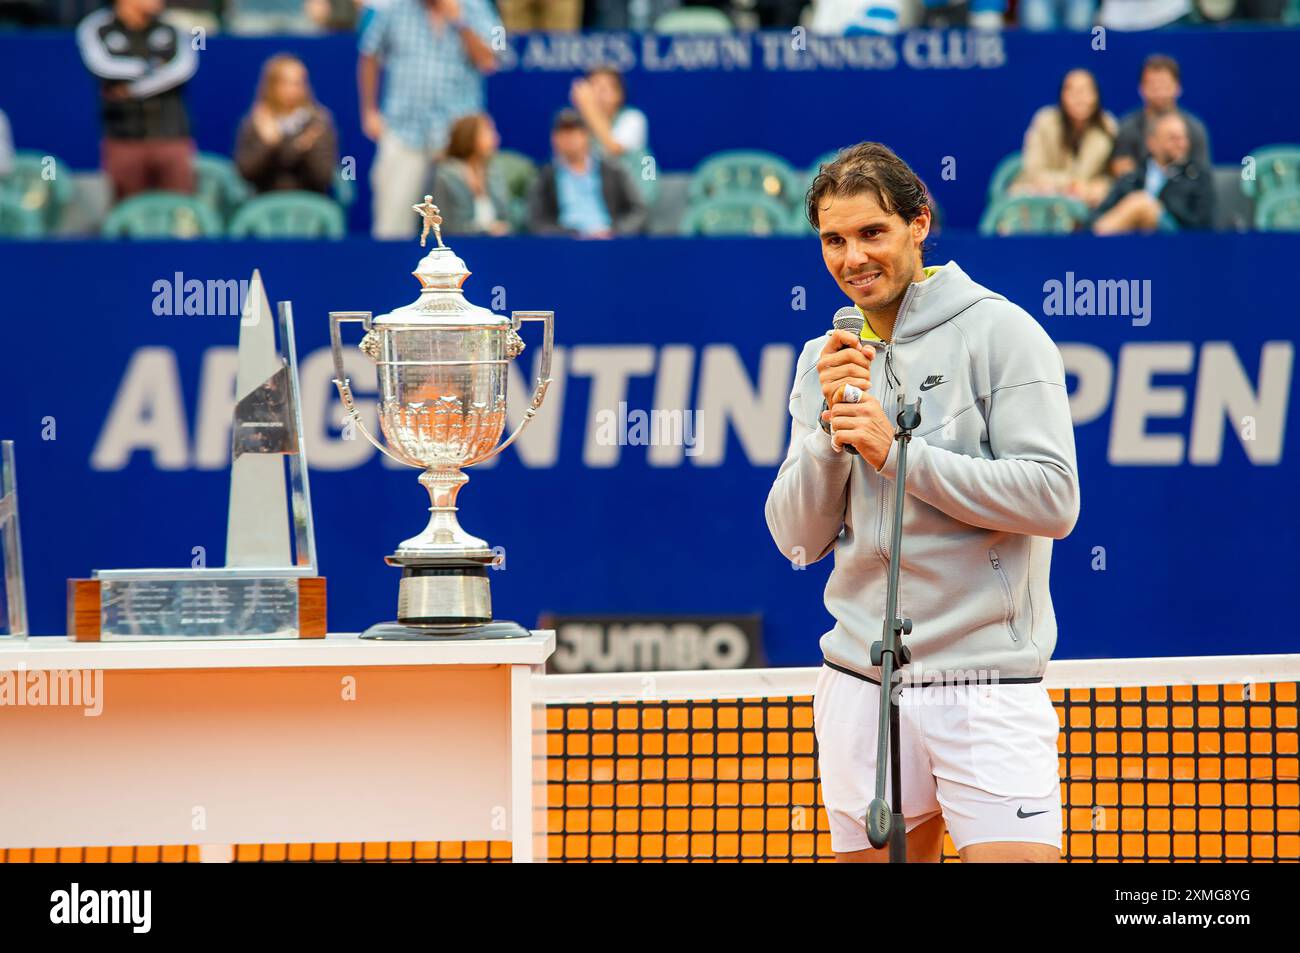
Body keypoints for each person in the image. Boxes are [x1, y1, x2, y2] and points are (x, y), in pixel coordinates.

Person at [766, 142, 1079, 863]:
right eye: (834, 240)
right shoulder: (824, 359)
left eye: (871, 232)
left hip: (986, 684)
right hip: (861, 687)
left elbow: (1053, 497)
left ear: (919, 224)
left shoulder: (1003, 333)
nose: (853, 258)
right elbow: (795, 539)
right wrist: (828, 437)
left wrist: (897, 455)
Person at [358, 0, 501, 238]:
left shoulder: (475, 6)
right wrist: (369, 111)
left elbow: (488, 61)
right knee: (392, 226)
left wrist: (460, 21)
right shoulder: (392, 7)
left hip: (458, 136)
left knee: (465, 226)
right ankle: (392, 264)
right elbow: (368, 54)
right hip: (403, 129)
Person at [76, 0, 197, 200]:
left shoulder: (175, 26)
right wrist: (150, 67)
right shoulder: (95, 27)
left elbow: (183, 69)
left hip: (172, 137)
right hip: (123, 138)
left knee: (180, 208)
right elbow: (101, 66)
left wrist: (132, 90)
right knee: (127, 210)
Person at [527, 109, 647, 238]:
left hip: (609, 242)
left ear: (586, 136)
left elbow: (638, 210)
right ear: (554, 139)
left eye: (574, 133)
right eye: (562, 133)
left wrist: (616, 232)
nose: (568, 139)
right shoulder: (545, 176)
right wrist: (567, 235)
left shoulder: (612, 170)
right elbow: (536, 220)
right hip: (565, 244)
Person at [1092, 111, 1214, 234]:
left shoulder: (1197, 177)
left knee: (1140, 204)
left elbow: (1202, 223)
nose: (1181, 144)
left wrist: (1156, 207)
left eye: (1183, 138)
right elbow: (1100, 214)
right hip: (1131, 238)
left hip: (1177, 237)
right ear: (1152, 143)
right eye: (1173, 138)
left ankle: (1095, 242)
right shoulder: (1132, 177)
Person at [234, 54, 338, 195]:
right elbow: (245, 173)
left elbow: (324, 177)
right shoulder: (256, 121)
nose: (292, 90)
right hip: (264, 202)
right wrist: (268, 144)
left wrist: (303, 149)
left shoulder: (319, 122)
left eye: (298, 83)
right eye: (285, 83)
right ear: (271, 86)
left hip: (309, 200)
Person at [1012, 68, 1117, 208]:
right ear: (1062, 96)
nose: (1080, 98)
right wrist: (1070, 184)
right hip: (1041, 197)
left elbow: (1115, 175)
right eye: (1073, 91)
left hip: (1087, 203)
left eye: (1086, 91)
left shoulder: (1108, 127)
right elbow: (1034, 170)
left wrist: (1100, 187)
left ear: (1096, 95)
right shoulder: (1045, 122)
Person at [1109, 55, 1211, 179]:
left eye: (1164, 85)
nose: (1159, 92)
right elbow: (1123, 174)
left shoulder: (1194, 129)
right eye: (1153, 85)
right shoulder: (1127, 128)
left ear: (1178, 87)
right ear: (1141, 88)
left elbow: (1202, 176)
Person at [429, 113, 511, 235]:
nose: (495, 137)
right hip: (457, 245)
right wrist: (485, 231)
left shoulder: (495, 174)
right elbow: (442, 226)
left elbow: (506, 218)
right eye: (488, 132)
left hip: (496, 245)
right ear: (469, 136)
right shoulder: (445, 176)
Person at [569, 66, 649, 161]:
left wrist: (588, 107)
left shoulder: (633, 118)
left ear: (619, 94)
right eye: (592, 88)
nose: (596, 95)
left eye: (603, 90)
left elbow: (614, 148)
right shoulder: (578, 121)